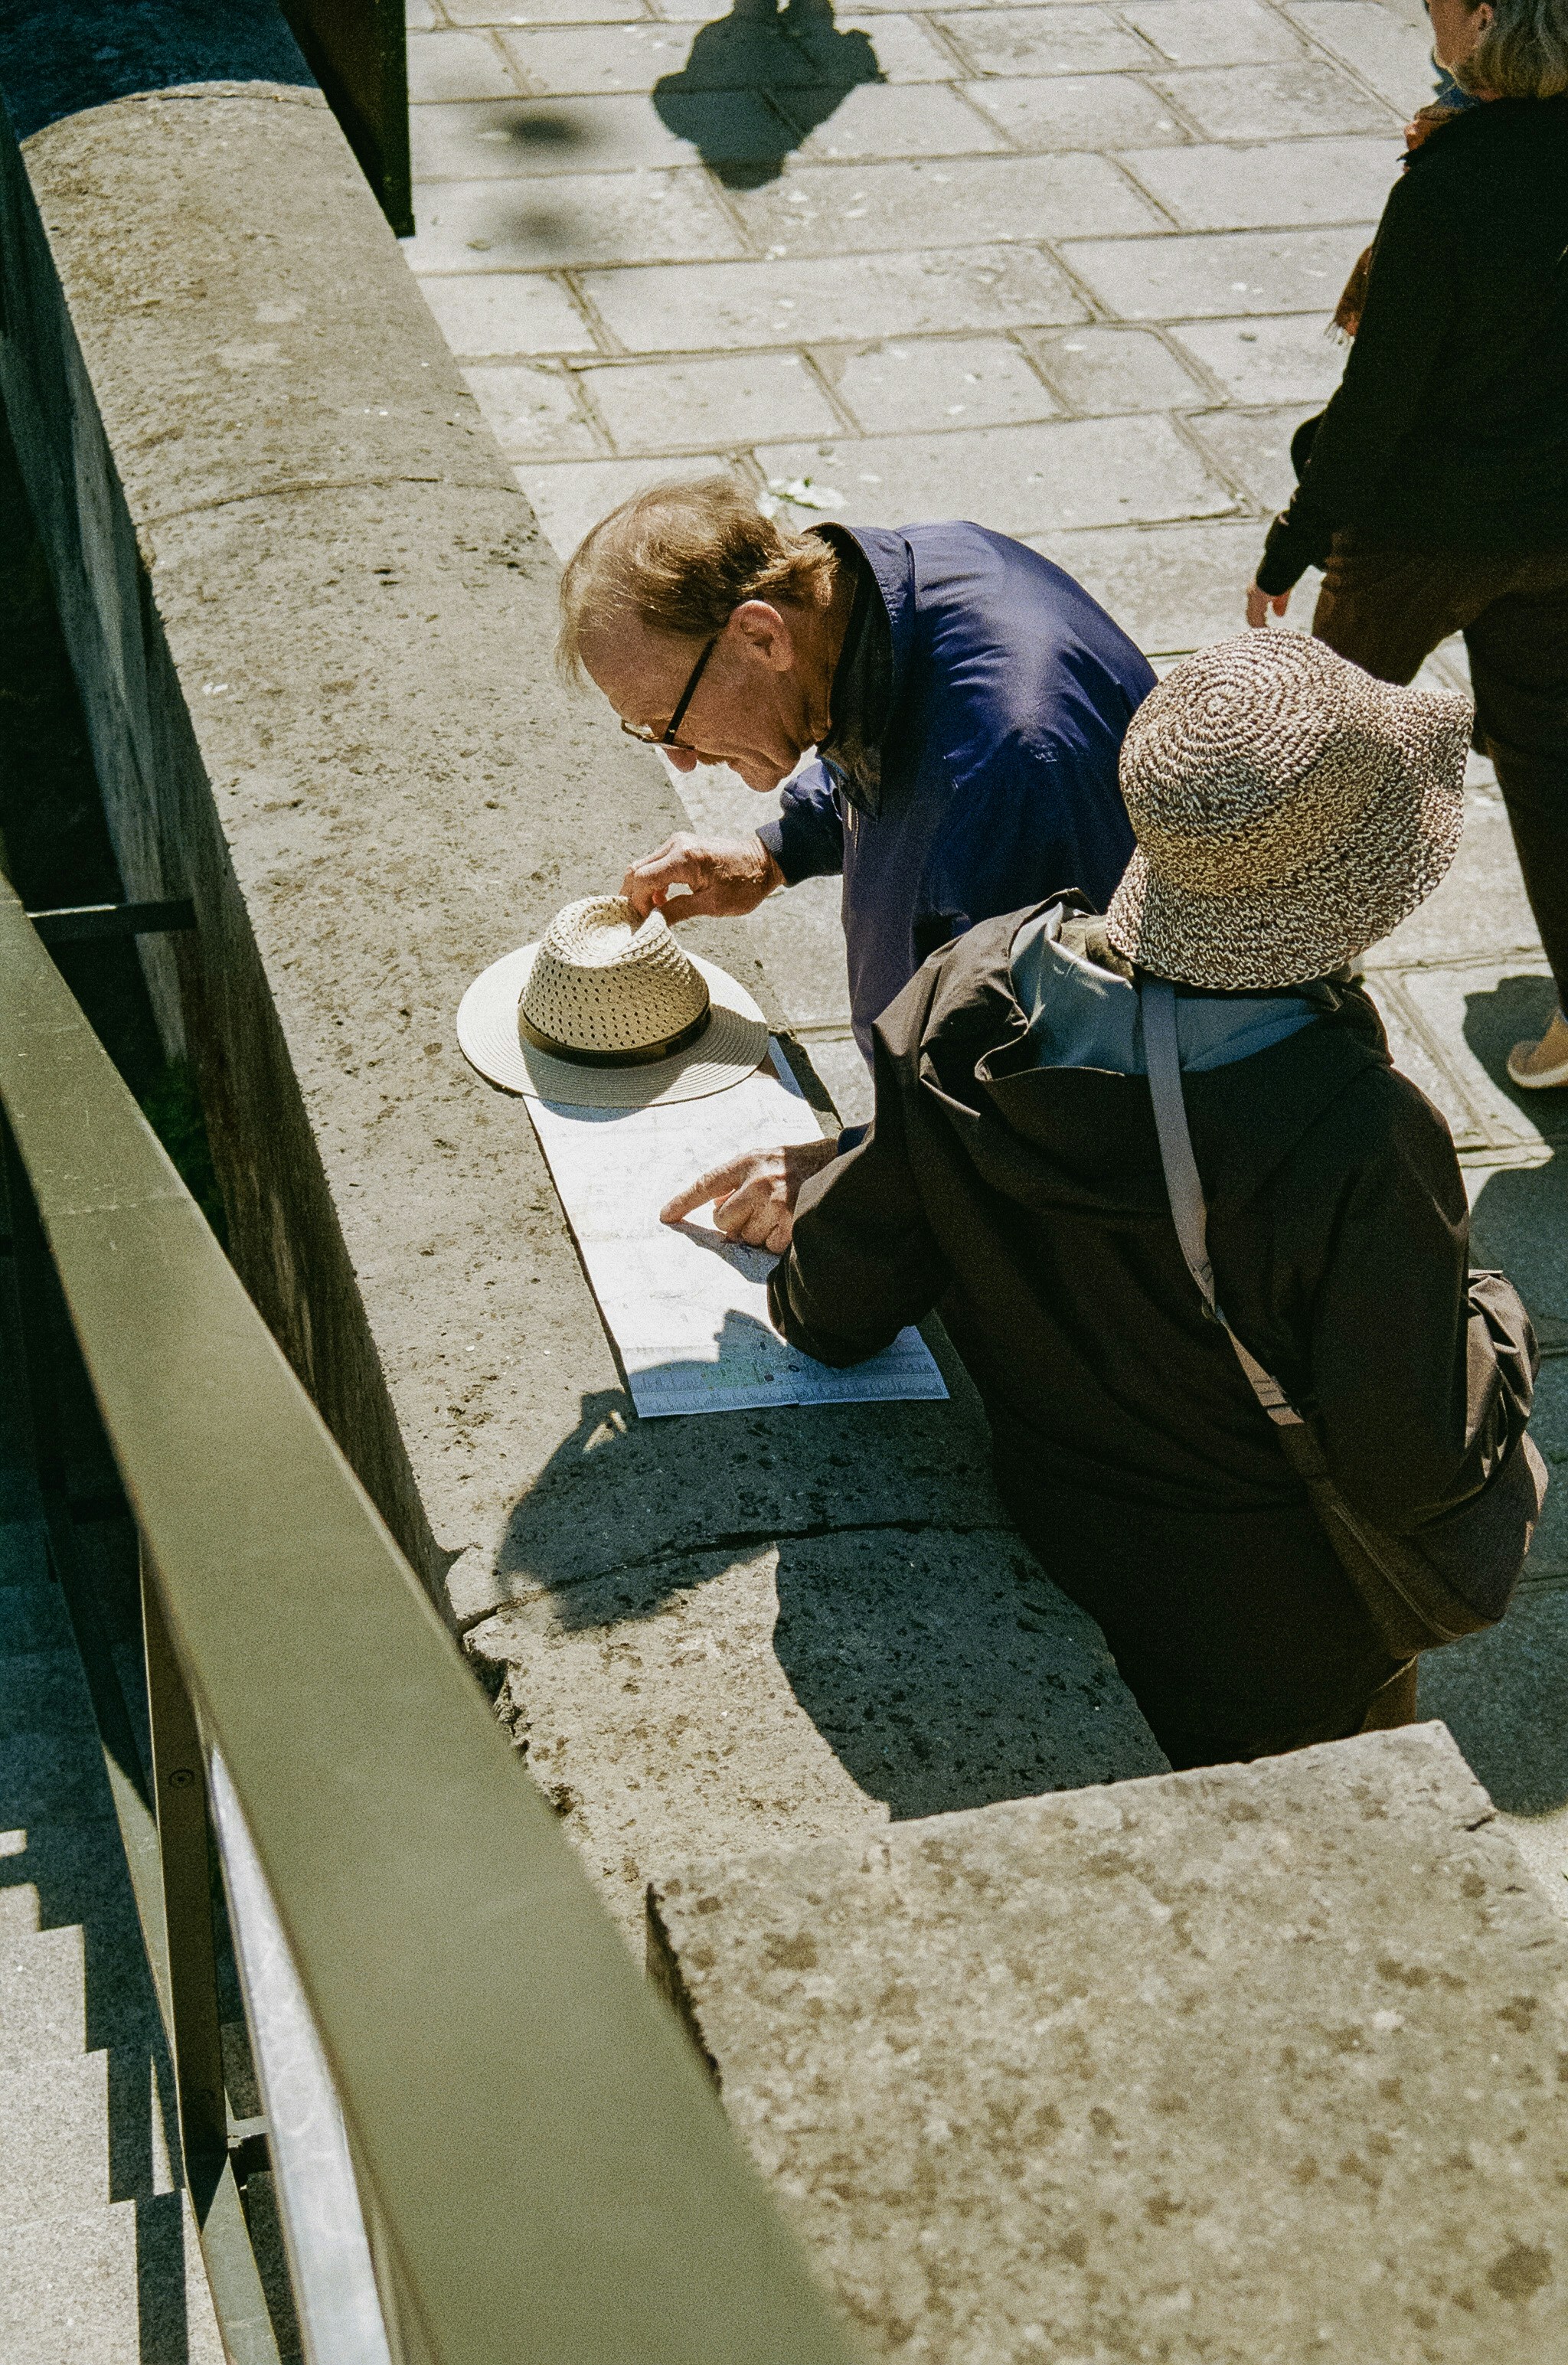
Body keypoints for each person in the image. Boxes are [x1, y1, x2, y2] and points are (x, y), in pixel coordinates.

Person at [766, 633, 1540, 1768]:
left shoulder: (966, 992)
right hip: (1286, 1646)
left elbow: (830, 1303)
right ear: (1357, 892)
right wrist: (1494, 1309)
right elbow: (1414, 1462)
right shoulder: (1356, 1136)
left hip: (1059, 1554)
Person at [557, 475, 1153, 1250]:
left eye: (668, 722)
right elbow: (879, 748)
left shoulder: (1010, 768)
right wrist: (775, 851)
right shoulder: (865, 603)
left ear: (761, 634)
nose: (679, 758)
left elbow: (1043, 1099)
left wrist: (850, 1164)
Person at [1245, 0, 1568, 1087]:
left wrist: (1293, 540)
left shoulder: (1447, 184)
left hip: (1418, 532)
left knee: (1325, 755)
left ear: (1484, 22)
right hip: (1559, 528)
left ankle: (1270, 1001)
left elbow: (1377, 403)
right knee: (1553, 766)